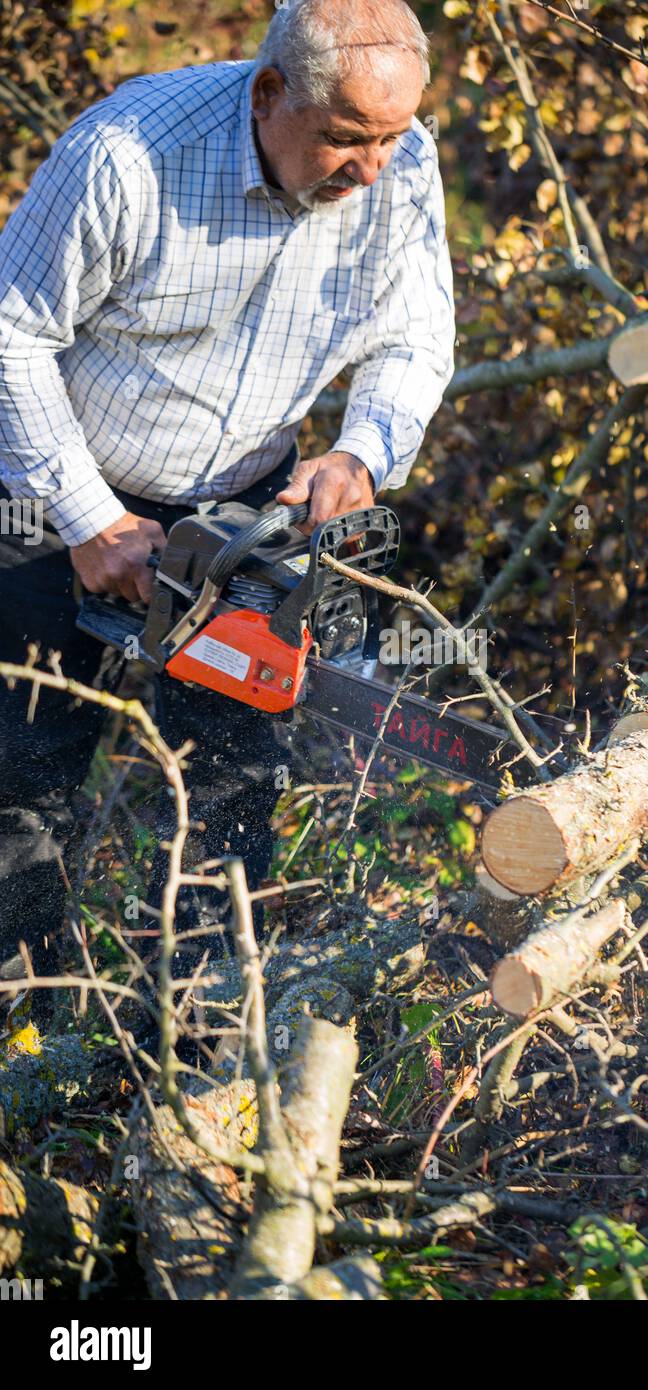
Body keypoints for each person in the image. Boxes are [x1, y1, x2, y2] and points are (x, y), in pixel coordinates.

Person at [0, 0, 455, 1001]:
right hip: (49, 499)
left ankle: (202, 1027)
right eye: (344, 139)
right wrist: (88, 518)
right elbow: (13, 335)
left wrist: (360, 453)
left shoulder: (401, 161)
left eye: (387, 138)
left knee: (231, 784)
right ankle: (30, 1030)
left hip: (243, 502)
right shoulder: (127, 155)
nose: (370, 168)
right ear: (267, 92)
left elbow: (411, 339)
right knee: (23, 780)